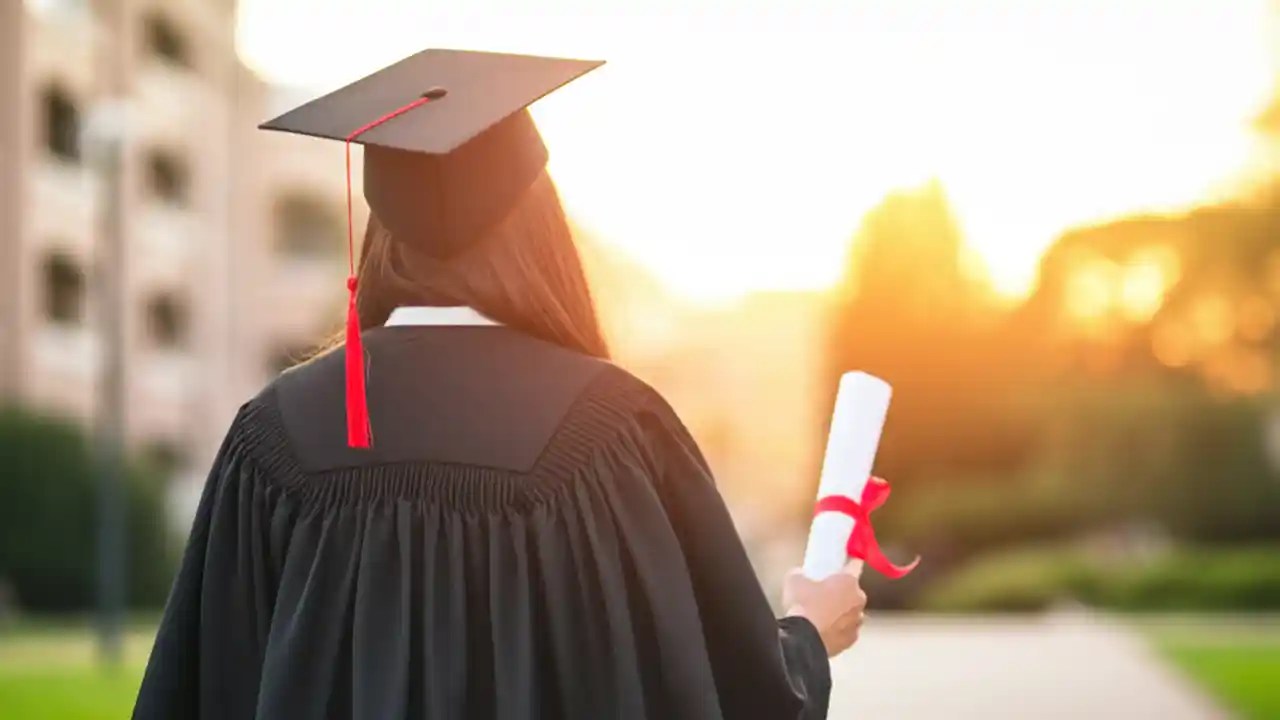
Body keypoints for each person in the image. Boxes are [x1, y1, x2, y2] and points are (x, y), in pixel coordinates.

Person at [132, 49, 867, 720]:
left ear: (379, 235)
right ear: (541, 231)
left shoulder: (272, 436)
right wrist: (806, 633)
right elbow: (724, 689)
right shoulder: (614, 428)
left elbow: (199, 690)